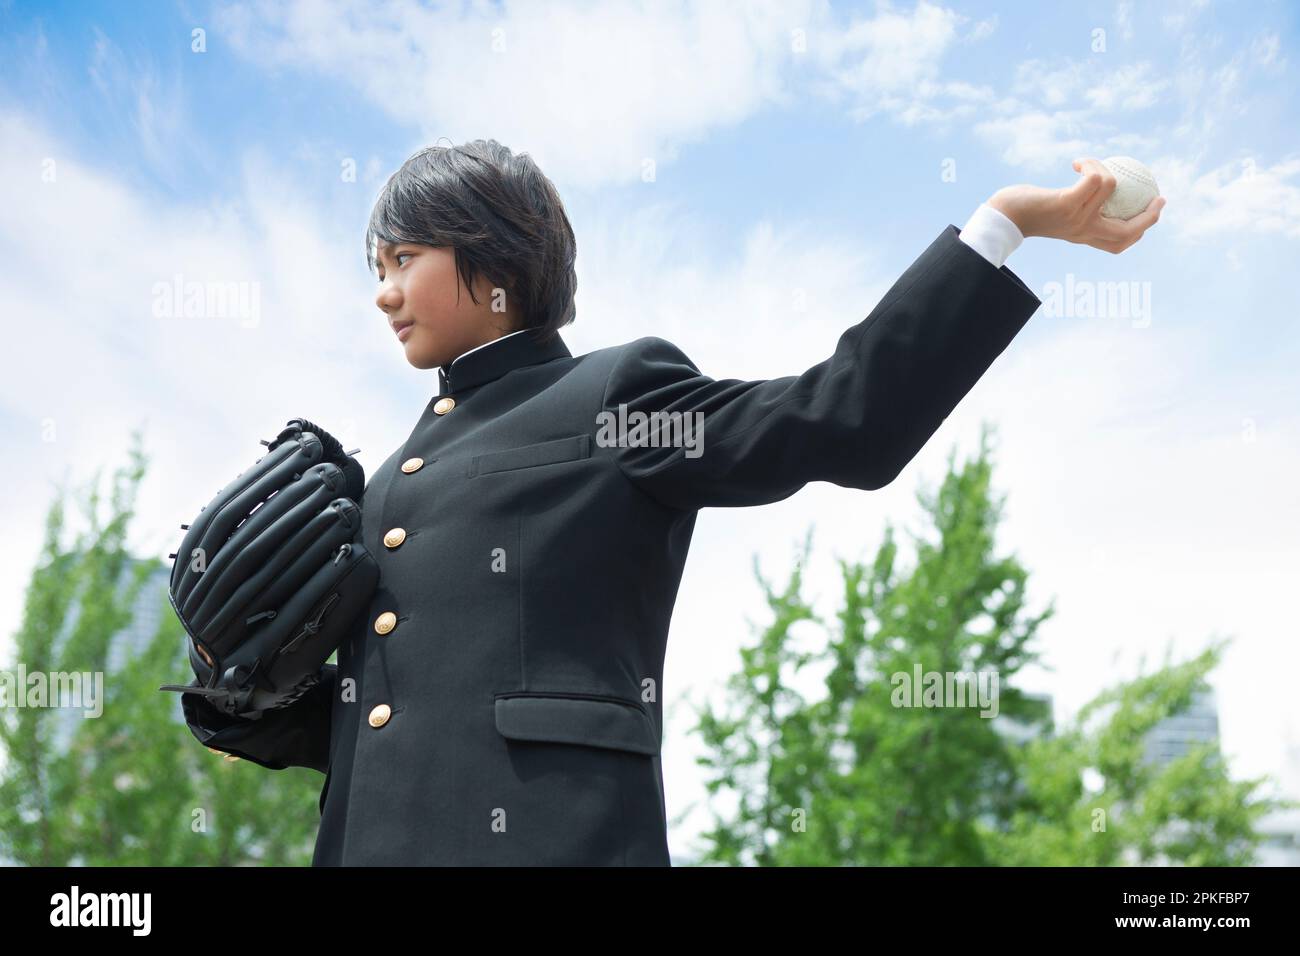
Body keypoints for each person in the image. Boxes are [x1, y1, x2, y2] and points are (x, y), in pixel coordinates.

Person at [179, 139, 1164, 865]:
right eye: (377, 271)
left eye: (405, 261)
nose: (385, 293)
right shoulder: (387, 479)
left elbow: (839, 419)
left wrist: (1003, 226)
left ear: (493, 265)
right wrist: (238, 685)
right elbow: (366, 725)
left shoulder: (613, 405)